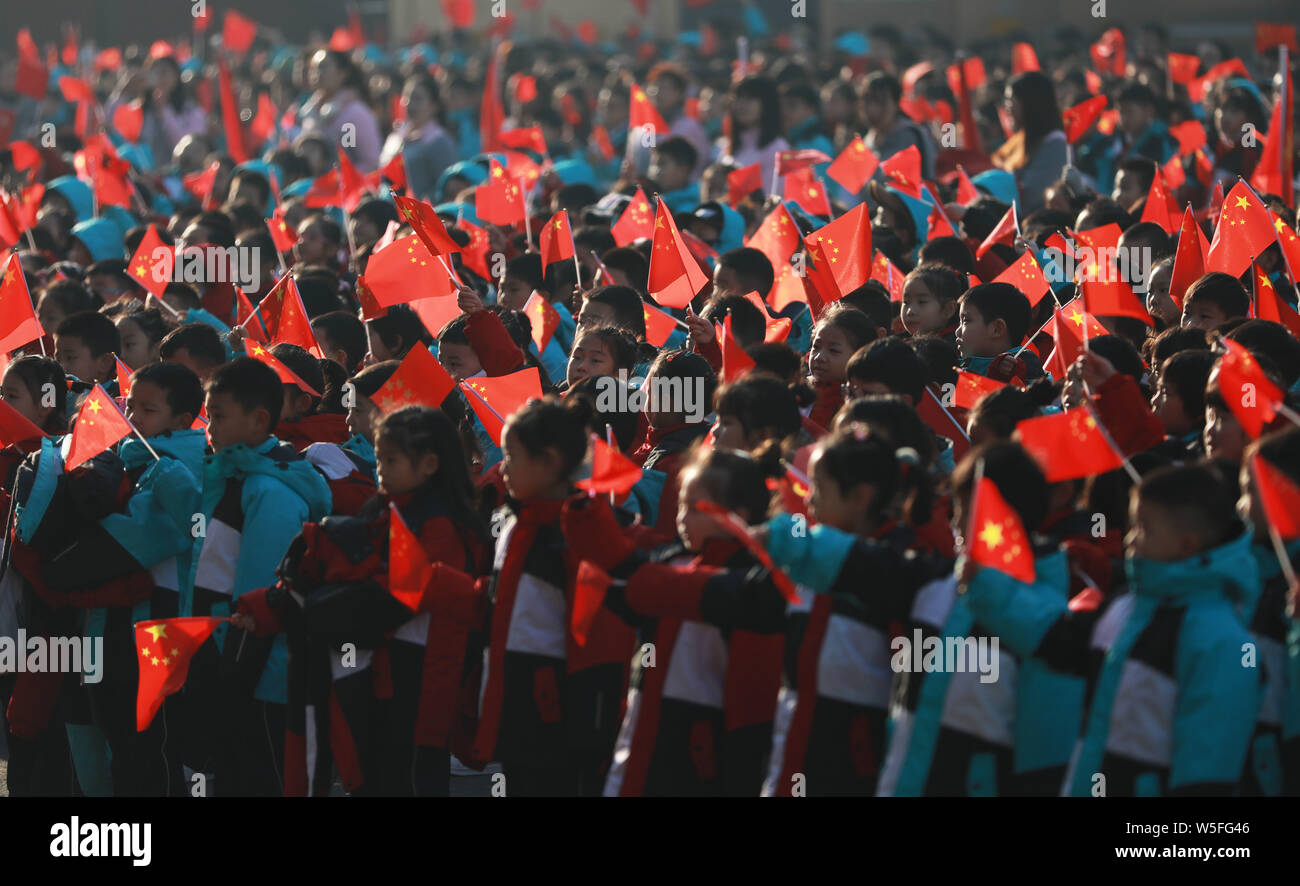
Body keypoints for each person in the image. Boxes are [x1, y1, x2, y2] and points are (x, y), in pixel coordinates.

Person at [187, 357, 332, 795]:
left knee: (259, 777)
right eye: (208, 415)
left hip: (261, 671)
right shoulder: (230, 475)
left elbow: (260, 597)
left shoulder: (270, 491)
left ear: (259, 421)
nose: (209, 427)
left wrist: (236, 669)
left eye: (219, 417)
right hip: (227, 655)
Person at [991, 72, 1069, 214]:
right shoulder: (1020, 139)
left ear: (1029, 102)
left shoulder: (1055, 143)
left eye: (1011, 100)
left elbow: (1034, 194)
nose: (1007, 107)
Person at [299, 49, 382, 172]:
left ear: (342, 73)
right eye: (313, 68)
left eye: (323, 67)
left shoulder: (355, 113)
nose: (316, 73)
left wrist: (339, 180)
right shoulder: (311, 112)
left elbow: (370, 163)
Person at [380, 74, 459, 202]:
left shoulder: (439, 142)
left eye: (418, 99)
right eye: (407, 97)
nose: (410, 104)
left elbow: (448, 189)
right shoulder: (397, 137)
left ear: (434, 106)